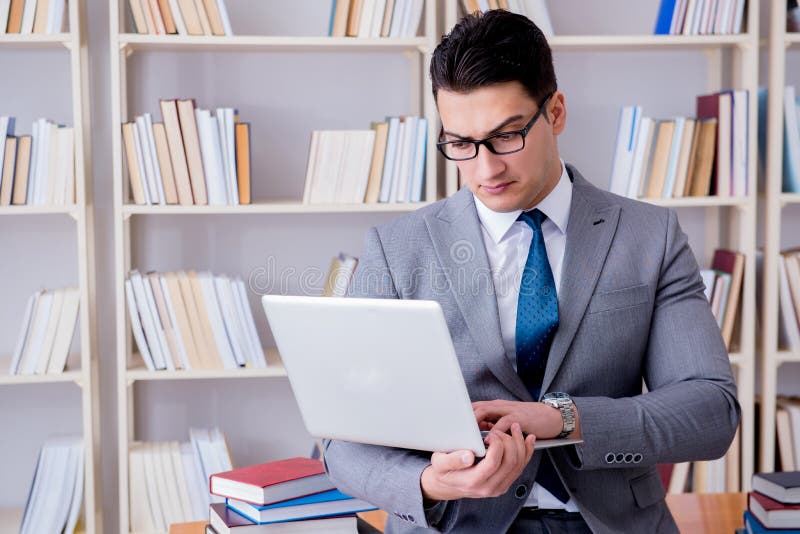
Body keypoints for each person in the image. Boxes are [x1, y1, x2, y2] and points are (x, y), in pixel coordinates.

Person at [323, 9, 740, 533]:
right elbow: (342, 443)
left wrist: (565, 420)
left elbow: (710, 412)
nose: (486, 168)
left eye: (507, 135)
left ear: (557, 111)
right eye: (460, 144)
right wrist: (431, 482)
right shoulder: (396, 249)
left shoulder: (648, 236)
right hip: (456, 522)